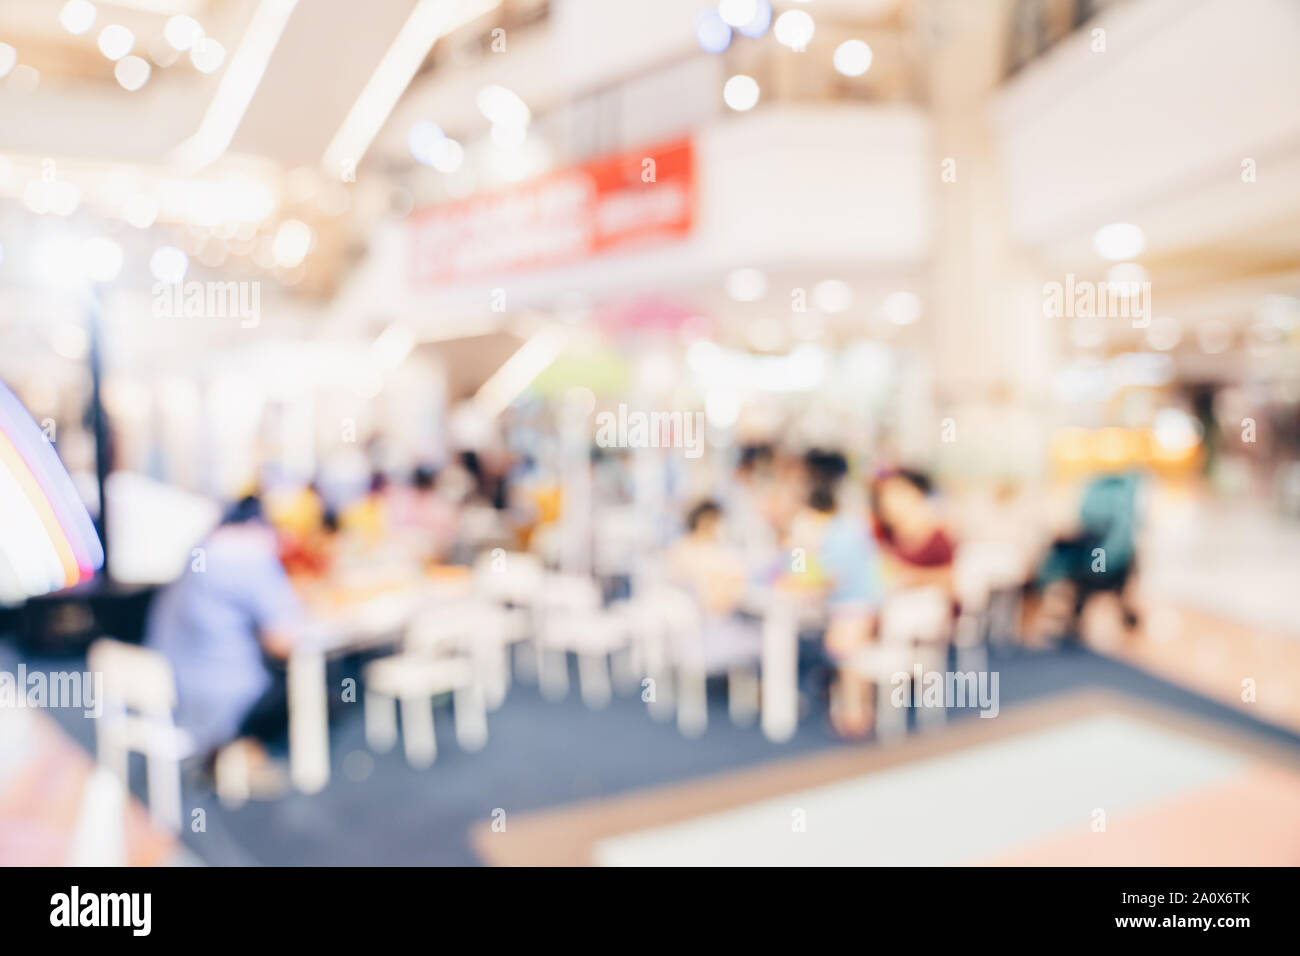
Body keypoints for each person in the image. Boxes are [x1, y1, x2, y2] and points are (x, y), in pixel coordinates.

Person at [145, 495, 309, 792]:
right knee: (306, 679)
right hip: (219, 691)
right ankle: (245, 753)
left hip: (166, 679)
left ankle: (227, 753)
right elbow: (283, 641)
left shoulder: (202, 547)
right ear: (259, 526)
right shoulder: (249, 555)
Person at [788, 451, 883, 736]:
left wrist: (805, 584)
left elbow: (836, 575)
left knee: (850, 659)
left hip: (857, 605)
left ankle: (857, 715)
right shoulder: (843, 527)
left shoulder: (841, 531)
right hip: (853, 604)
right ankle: (853, 710)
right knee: (847, 659)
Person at [871, 468, 956, 590]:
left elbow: (952, 580)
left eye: (897, 494)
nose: (889, 502)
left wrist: (911, 576)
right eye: (883, 496)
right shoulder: (885, 537)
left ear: (917, 493)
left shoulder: (937, 538)